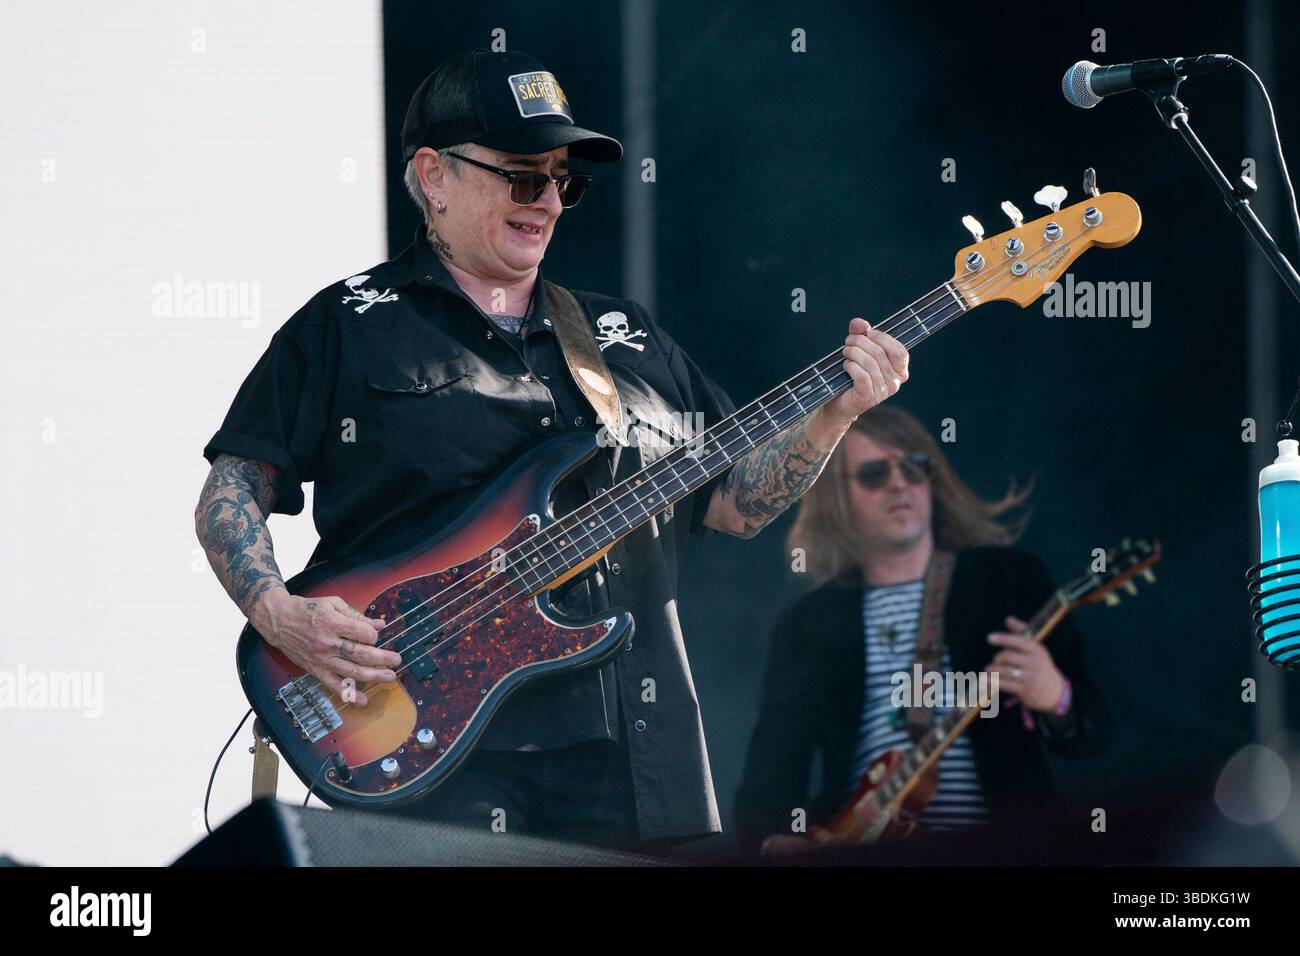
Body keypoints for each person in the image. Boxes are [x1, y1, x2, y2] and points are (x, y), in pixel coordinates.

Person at [195, 49, 910, 853]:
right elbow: (232, 487)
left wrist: (833, 416)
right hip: (434, 751)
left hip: (638, 754)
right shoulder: (347, 325)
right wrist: (279, 614)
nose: (547, 203)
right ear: (435, 176)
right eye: (522, 177)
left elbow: (738, 504)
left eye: (562, 182)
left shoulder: (625, 337)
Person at [735, 405, 1112, 855]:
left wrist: (1056, 696)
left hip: (1007, 847)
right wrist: (775, 842)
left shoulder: (1010, 581)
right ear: (837, 496)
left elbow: (1097, 733)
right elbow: (770, 773)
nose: (899, 483)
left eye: (914, 467)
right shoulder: (806, 625)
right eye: (875, 473)